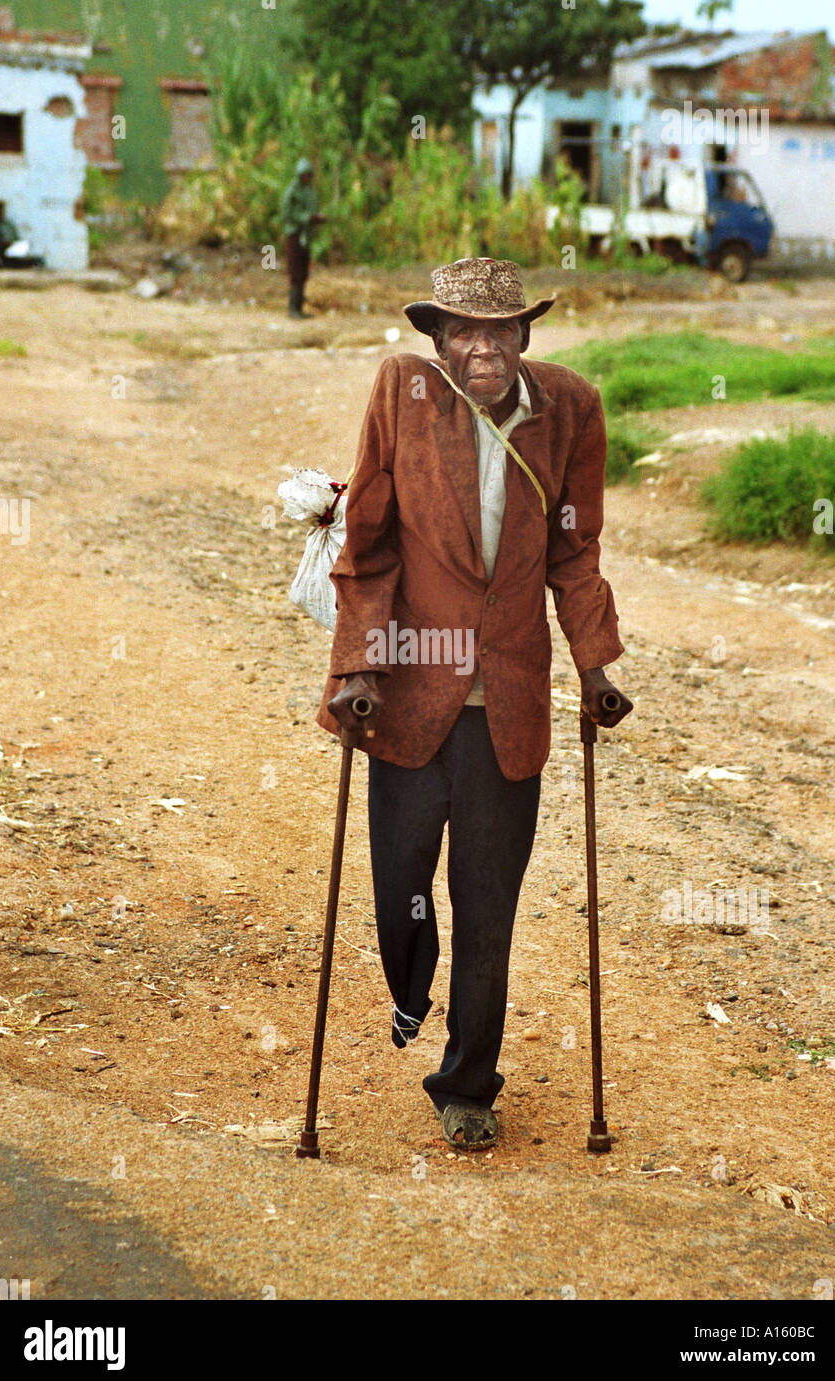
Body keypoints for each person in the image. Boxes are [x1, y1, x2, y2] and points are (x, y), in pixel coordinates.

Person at [316, 257, 632, 1151]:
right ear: (437, 340)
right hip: (411, 687)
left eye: (500, 330)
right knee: (399, 888)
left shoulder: (569, 406)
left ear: (525, 335)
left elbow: (577, 554)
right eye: (464, 330)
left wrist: (595, 664)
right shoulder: (400, 394)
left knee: (486, 904)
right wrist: (360, 666)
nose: (483, 347)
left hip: (510, 699)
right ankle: (411, 994)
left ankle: (466, 1082)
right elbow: (367, 541)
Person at [281, 157, 325, 318]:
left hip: (305, 235)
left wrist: (316, 218)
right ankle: (293, 309)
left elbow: (311, 209)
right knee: (296, 272)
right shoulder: (292, 191)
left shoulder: (309, 191)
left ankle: (299, 308)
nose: (306, 178)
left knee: (304, 272)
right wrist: (307, 217)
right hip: (294, 234)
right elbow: (287, 213)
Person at [0, 200, 44, 268]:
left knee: (34, 259)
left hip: (9, 253)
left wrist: (12, 244)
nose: (0, 212)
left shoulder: (8, 224)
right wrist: (2, 245)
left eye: (1, 209)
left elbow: (16, 239)